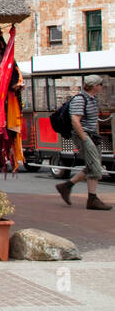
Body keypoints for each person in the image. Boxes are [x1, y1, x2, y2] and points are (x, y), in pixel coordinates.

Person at [58, 75, 111, 210]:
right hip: (84, 136)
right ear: (94, 86)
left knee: (93, 165)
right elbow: (75, 121)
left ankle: (67, 186)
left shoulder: (93, 99)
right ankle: (92, 198)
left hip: (92, 135)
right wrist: (85, 139)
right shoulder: (80, 99)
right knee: (95, 167)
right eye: (100, 84)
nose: (101, 86)